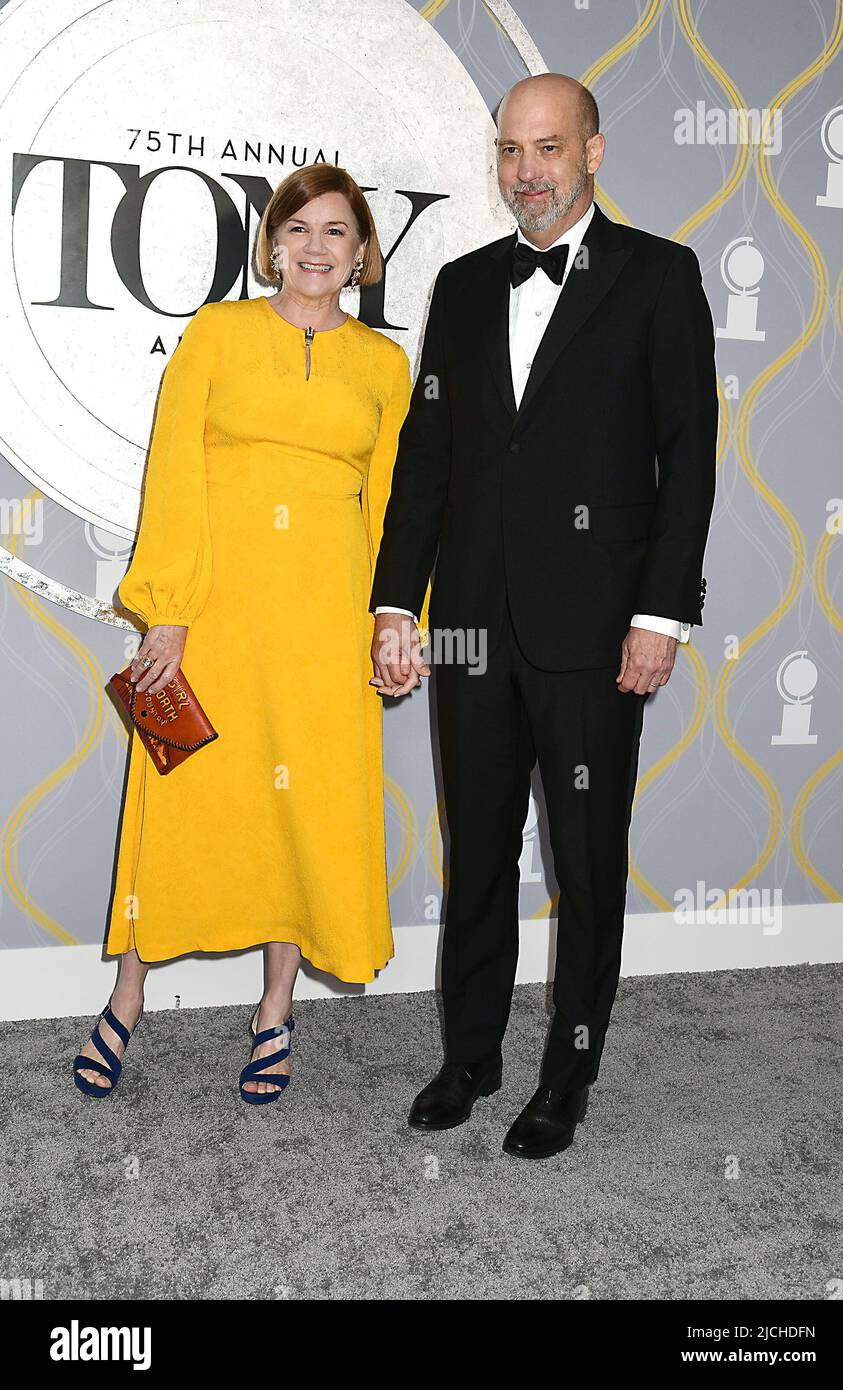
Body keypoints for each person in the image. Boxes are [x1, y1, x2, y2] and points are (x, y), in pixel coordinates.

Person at [370, 74, 717, 1158]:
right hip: (469, 622)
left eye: (547, 147)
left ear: (592, 151)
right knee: (475, 851)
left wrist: (660, 614)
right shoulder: (464, 286)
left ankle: (566, 1073)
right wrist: (394, 601)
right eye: (510, 150)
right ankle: (469, 1057)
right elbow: (426, 459)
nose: (526, 169)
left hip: (595, 626)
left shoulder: (658, 276)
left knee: (584, 859)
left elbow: (688, 457)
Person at [74, 163, 422, 1104]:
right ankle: (128, 996)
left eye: (337, 233)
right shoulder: (217, 335)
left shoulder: (386, 367)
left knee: (301, 806)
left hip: (326, 617)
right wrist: (172, 608)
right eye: (299, 228)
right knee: (180, 793)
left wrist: (397, 623)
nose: (316, 246)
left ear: (362, 255)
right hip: (215, 612)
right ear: (271, 243)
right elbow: (174, 471)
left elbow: (394, 508)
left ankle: (277, 1007)